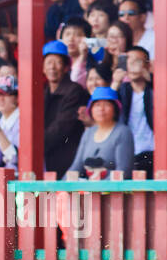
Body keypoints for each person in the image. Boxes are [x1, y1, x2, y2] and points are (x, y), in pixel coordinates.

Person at [66, 87, 134, 180]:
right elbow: (77, 166)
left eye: (106, 105)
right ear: (91, 109)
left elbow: (123, 170)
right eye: (97, 105)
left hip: (114, 191)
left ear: (115, 109)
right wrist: (60, 187)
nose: (101, 109)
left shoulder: (123, 132)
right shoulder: (88, 133)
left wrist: (98, 189)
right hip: (90, 190)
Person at [42, 40, 84, 176]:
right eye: (49, 62)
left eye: (58, 62)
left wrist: (37, 146)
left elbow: (61, 127)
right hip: (47, 159)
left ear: (66, 67)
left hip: (67, 160)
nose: (52, 67)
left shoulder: (74, 90)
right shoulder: (43, 93)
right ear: (43, 67)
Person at [116, 46, 154, 175]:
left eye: (137, 61)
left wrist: (152, 80)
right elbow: (107, 105)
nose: (132, 65)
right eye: (129, 61)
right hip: (128, 152)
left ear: (147, 66)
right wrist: (115, 83)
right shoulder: (123, 89)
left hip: (152, 151)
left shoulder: (155, 87)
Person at [60, 17, 95, 89]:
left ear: (87, 39)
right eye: (67, 34)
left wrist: (82, 56)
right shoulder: (59, 61)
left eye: (78, 35)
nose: (71, 39)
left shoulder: (92, 64)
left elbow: (75, 84)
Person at [99, 19, 133, 84]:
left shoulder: (132, 62)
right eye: (111, 36)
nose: (114, 41)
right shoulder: (102, 64)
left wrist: (121, 57)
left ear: (127, 39)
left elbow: (125, 85)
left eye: (119, 36)